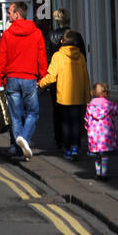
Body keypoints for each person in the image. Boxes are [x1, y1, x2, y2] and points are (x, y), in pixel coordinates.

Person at [0, 1, 49, 159]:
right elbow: (41, 57)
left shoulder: (8, 34)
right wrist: (43, 78)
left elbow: (1, 60)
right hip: (29, 78)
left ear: (17, 14)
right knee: (32, 113)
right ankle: (24, 138)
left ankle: (18, 148)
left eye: (10, 12)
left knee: (15, 116)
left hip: (12, 79)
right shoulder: (36, 33)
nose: (8, 15)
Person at [39, 30, 91, 159]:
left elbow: (51, 76)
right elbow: (85, 77)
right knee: (77, 123)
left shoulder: (58, 56)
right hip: (78, 95)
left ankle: (67, 148)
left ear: (62, 41)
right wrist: (87, 96)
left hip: (64, 96)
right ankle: (75, 147)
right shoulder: (81, 56)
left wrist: (41, 84)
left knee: (66, 123)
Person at [46, 8, 85, 149]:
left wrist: (43, 82)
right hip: (75, 80)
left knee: (58, 113)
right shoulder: (77, 37)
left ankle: (60, 141)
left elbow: (48, 59)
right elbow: (83, 60)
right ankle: (75, 143)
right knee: (75, 115)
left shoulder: (51, 36)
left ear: (57, 20)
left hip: (57, 80)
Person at [84, 82, 118, 180]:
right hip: (105, 136)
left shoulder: (90, 106)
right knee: (105, 155)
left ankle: (98, 173)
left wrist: (89, 130)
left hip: (94, 137)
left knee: (97, 155)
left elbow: (86, 121)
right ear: (105, 93)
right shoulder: (108, 105)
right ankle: (104, 174)